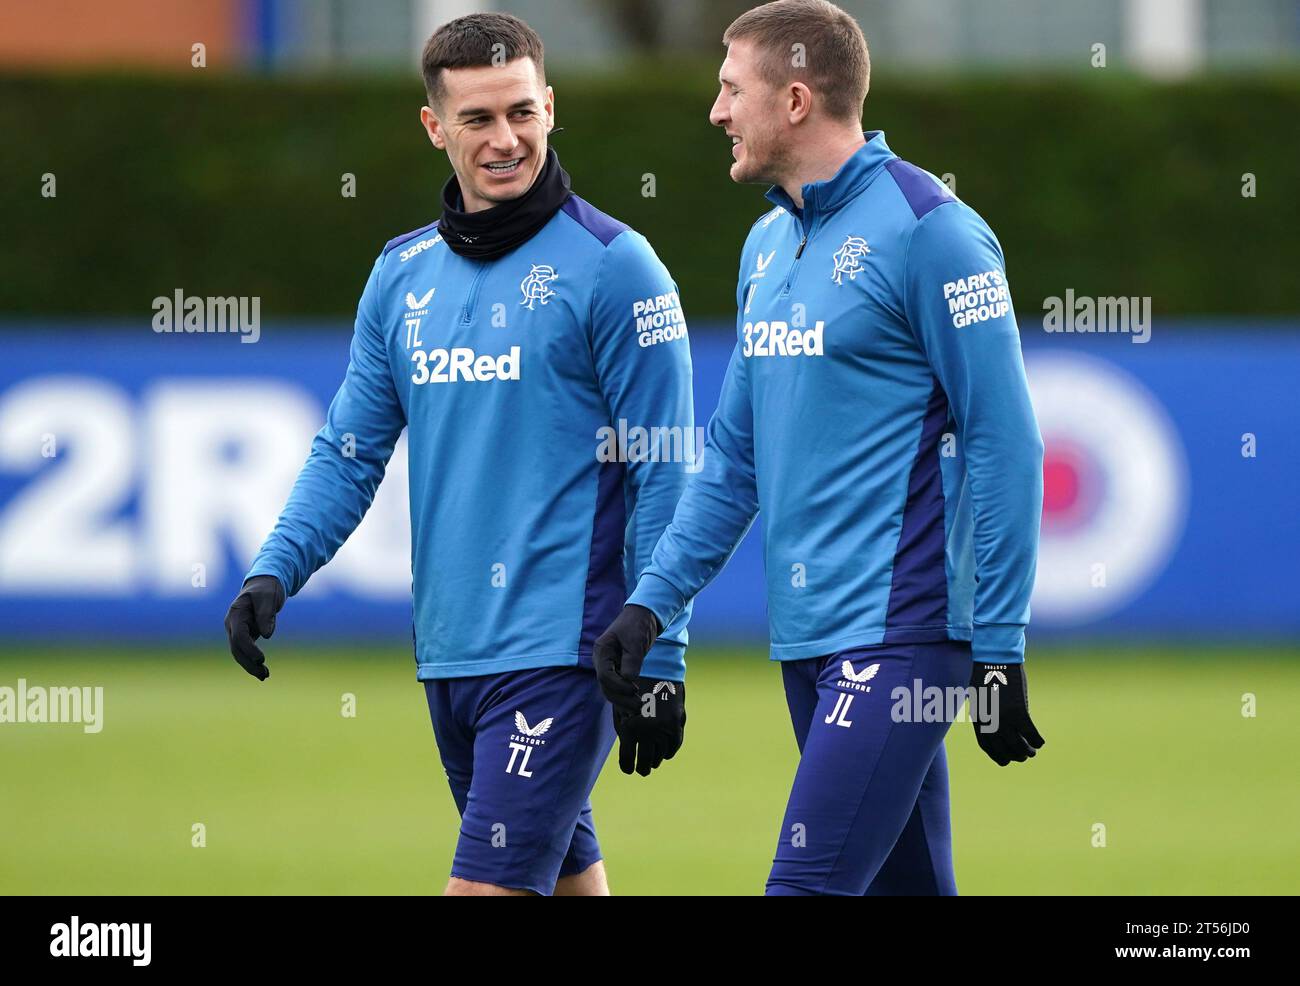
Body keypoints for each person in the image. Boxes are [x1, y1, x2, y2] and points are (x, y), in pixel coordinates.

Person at [225, 12, 692, 896]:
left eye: (522, 111)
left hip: (563, 651)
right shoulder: (400, 275)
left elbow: (665, 467)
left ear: (551, 107)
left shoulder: (618, 267)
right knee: (565, 883)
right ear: (436, 128)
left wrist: (660, 654)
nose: (506, 138)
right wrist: (272, 572)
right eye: (478, 119)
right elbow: (349, 450)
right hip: (450, 653)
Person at [594, 0, 1044, 896]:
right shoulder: (767, 244)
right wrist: (652, 605)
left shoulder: (933, 232)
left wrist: (998, 643)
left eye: (731, 90)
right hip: (807, 640)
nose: (716, 111)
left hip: (904, 635)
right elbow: (733, 459)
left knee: (801, 888)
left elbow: (1005, 440)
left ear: (795, 100)